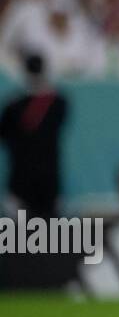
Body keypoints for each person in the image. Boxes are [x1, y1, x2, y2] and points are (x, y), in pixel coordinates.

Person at [0, 53, 67, 219]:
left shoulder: (13, 107)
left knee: (17, 238)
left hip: (21, 181)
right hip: (47, 181)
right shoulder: (59, 103)